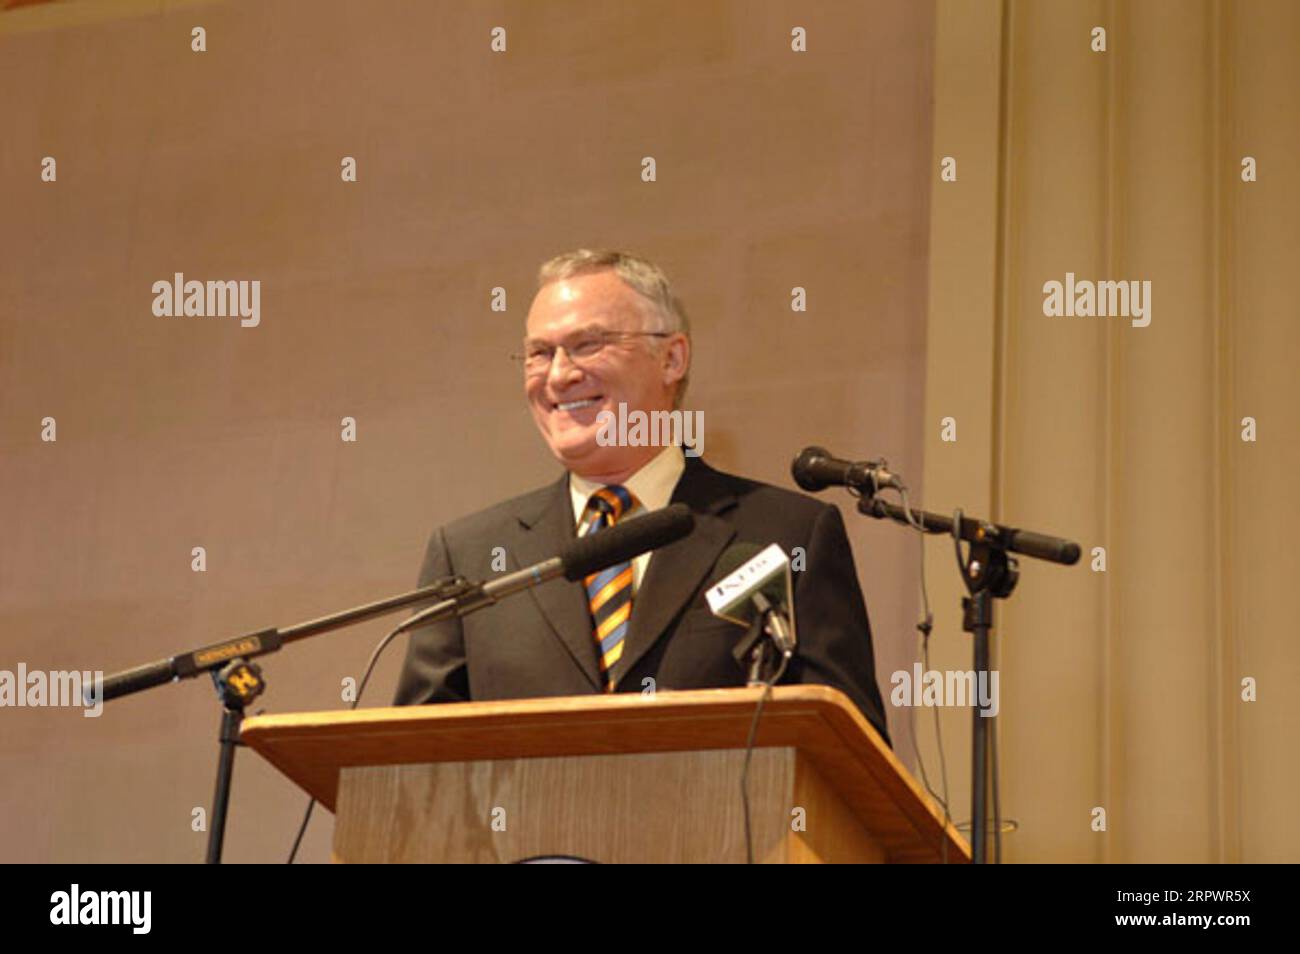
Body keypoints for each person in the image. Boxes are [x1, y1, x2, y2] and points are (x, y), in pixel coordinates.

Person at [393, 249, 889, 743]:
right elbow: (413, 768)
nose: (558, 375)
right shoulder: (471, 555)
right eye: (540, 353)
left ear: (671, 358)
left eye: (587, 344)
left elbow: (851, 753)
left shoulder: (786, 534)